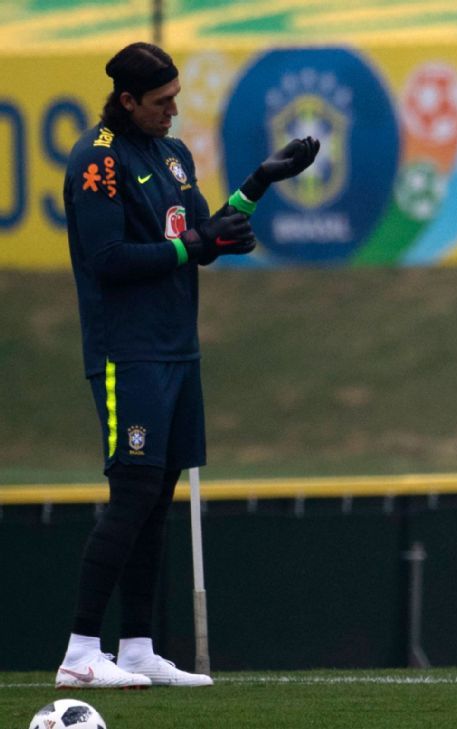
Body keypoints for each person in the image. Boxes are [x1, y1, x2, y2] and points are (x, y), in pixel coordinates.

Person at [57, 41, 319, 689]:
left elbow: (203, 234)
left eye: (176, 98)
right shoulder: (99, 162)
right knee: (133, 493)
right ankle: (80, 650)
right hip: (130, 351)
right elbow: (108, 260)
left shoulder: (172, 156)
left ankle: (139, 644)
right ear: (126, 101)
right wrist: (193, 245)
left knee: (158, 495)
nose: (173, 111)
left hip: (179, 348)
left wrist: (259, 184)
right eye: (160, 102)